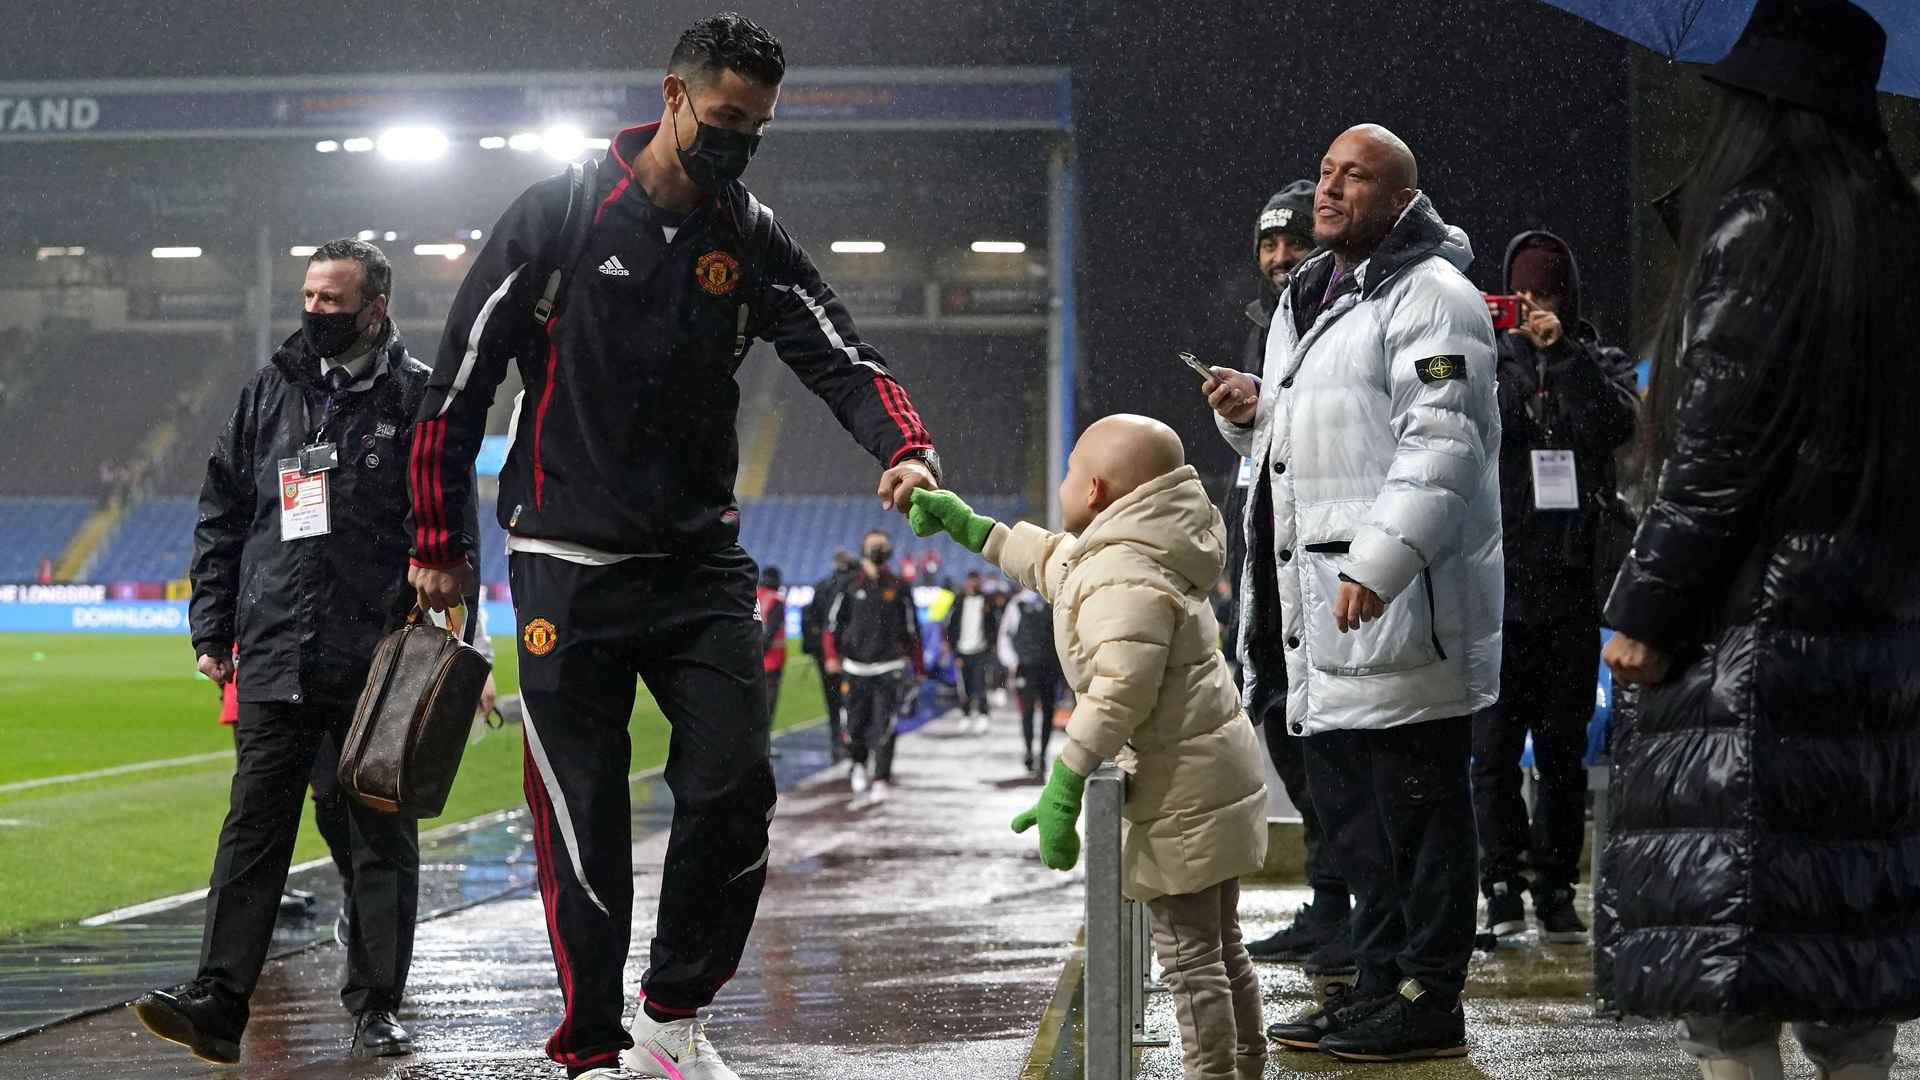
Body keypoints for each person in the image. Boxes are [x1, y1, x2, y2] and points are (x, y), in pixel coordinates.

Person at [403, 15, 943, 1078]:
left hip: (700, 568)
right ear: (674, 95)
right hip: (567, 566)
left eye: (758, 128)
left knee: (737, 787)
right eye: (726, 119)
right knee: (584, 824)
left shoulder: (748, 234)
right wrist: (435, 537)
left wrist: (905, 445)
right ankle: (592, 1051)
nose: (738, 143)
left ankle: (672, 1015)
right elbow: (460, 377)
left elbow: (837, 349)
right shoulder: (559, 210)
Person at [1598, 4, 1920, 1078]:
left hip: (1753, 631)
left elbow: (1720, 450)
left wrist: (1646, 604)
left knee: (1733, 981)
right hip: (1874, 628)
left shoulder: (1761, 223)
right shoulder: (1894, 228)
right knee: (1843, 962)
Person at [1204, 124, 1501, 1062]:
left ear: (1402, 196)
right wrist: (1259, 418)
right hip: (1319, 616)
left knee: (1417, 810)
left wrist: (1379, 560)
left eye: (1354, 178)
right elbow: (1319, 450)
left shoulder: (1434, 296)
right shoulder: (1313, 296)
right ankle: (1372, 985)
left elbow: (1443, 442)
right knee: (1358, 824)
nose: (1329, 191)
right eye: (1325, 174)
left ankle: (1427, 997)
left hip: (1393, 605)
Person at [136, 239, 468, 1065]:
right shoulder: (268, 392)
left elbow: (450, 524)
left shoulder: (420, 400)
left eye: (333, 300)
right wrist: (212, 626)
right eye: (310, 297)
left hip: (377, 664)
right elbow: (223, 512)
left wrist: (451, 612)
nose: (316, 312)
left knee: (377, 845)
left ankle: (378, 1005)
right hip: (279, 655)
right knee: (252, 834)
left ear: (376, 308)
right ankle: (218, 1002)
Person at [910, 415, 1269, 1080]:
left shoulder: (1125, 570)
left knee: (1191, 960)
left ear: (1098, 490)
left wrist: (1066, 778)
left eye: (1072, 470)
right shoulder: (1140, 544)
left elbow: (1117, 692)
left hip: (1182, 788)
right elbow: (1056, 564)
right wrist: (971, 528)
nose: (1063, 480)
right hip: (1213, 771)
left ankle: (1219, 1074)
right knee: (1222, 945)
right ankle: (1248, 1063)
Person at [1472, 229, 1637, 945]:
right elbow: (1465, 428)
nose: (1536, 306)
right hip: (1498, 584)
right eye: (1524, 294)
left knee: (1564, 754)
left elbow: (1614, 424)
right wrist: (1490, 345)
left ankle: (1556, 886)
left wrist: (1562, 354)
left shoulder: (1595, 359)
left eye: (1548, 293)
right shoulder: (1484, 360)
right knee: (1495, 750)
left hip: (1572, 588)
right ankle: (1501, 882)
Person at [1226, 180, 1356, 971]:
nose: (1280, 258)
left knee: (1339, 756)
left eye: (1295, 241)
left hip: (1325, 573)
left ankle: (1358, 921)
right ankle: (1329, 904)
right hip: (1270, 577)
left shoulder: (1344, 323)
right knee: (1287, 735)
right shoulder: (1268, 329)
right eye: (1269, 244)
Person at [823, 529, 922, 808]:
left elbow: (913, 630)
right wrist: (832, 656)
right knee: (854, 726)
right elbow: (832, 626)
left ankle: (880, 778)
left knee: (885, 725)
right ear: (864, 549)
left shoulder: (900, 586)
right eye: (874, 546)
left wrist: (918, 666)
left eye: (883, 546)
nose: (879, 550)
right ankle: (857, 764)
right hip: (855, 669)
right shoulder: (849, 585)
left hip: (889, 667)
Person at [997, 586, 1062, 776]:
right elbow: (1005, 635)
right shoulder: (1017, 604)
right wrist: (1012, 661)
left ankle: (1042, 754)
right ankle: (1029, 751)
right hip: (1026, 667)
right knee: (1027, 712)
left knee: (1048, 713)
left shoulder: (1052, 603)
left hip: (1049, 666)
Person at [800, 550, 857, 761]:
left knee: (833, 701)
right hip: (852, 653)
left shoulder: (823, 585)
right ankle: (852, 738)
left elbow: (814, 619)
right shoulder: (855, 584)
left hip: (826, 654)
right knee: (854, 700)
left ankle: (837, 740)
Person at [945, 570, 1000, 734]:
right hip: (962, 651)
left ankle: (983, 715)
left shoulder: (986, 601)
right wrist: (953, 649)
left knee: (981, 684)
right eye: (971, 581)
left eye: (976, 581)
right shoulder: (959, 601)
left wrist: (991, 646)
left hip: (981, 650)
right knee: (965, 687)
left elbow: (993, 625)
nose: (973, 584)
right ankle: (966, 715)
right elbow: (951, 625)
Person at [755, 566, 786, 728]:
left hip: (751, 659)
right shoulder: (776, 601)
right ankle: (764, 744)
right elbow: (771, 631)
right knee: (768, 704)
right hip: (771, 660)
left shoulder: (753, 596)